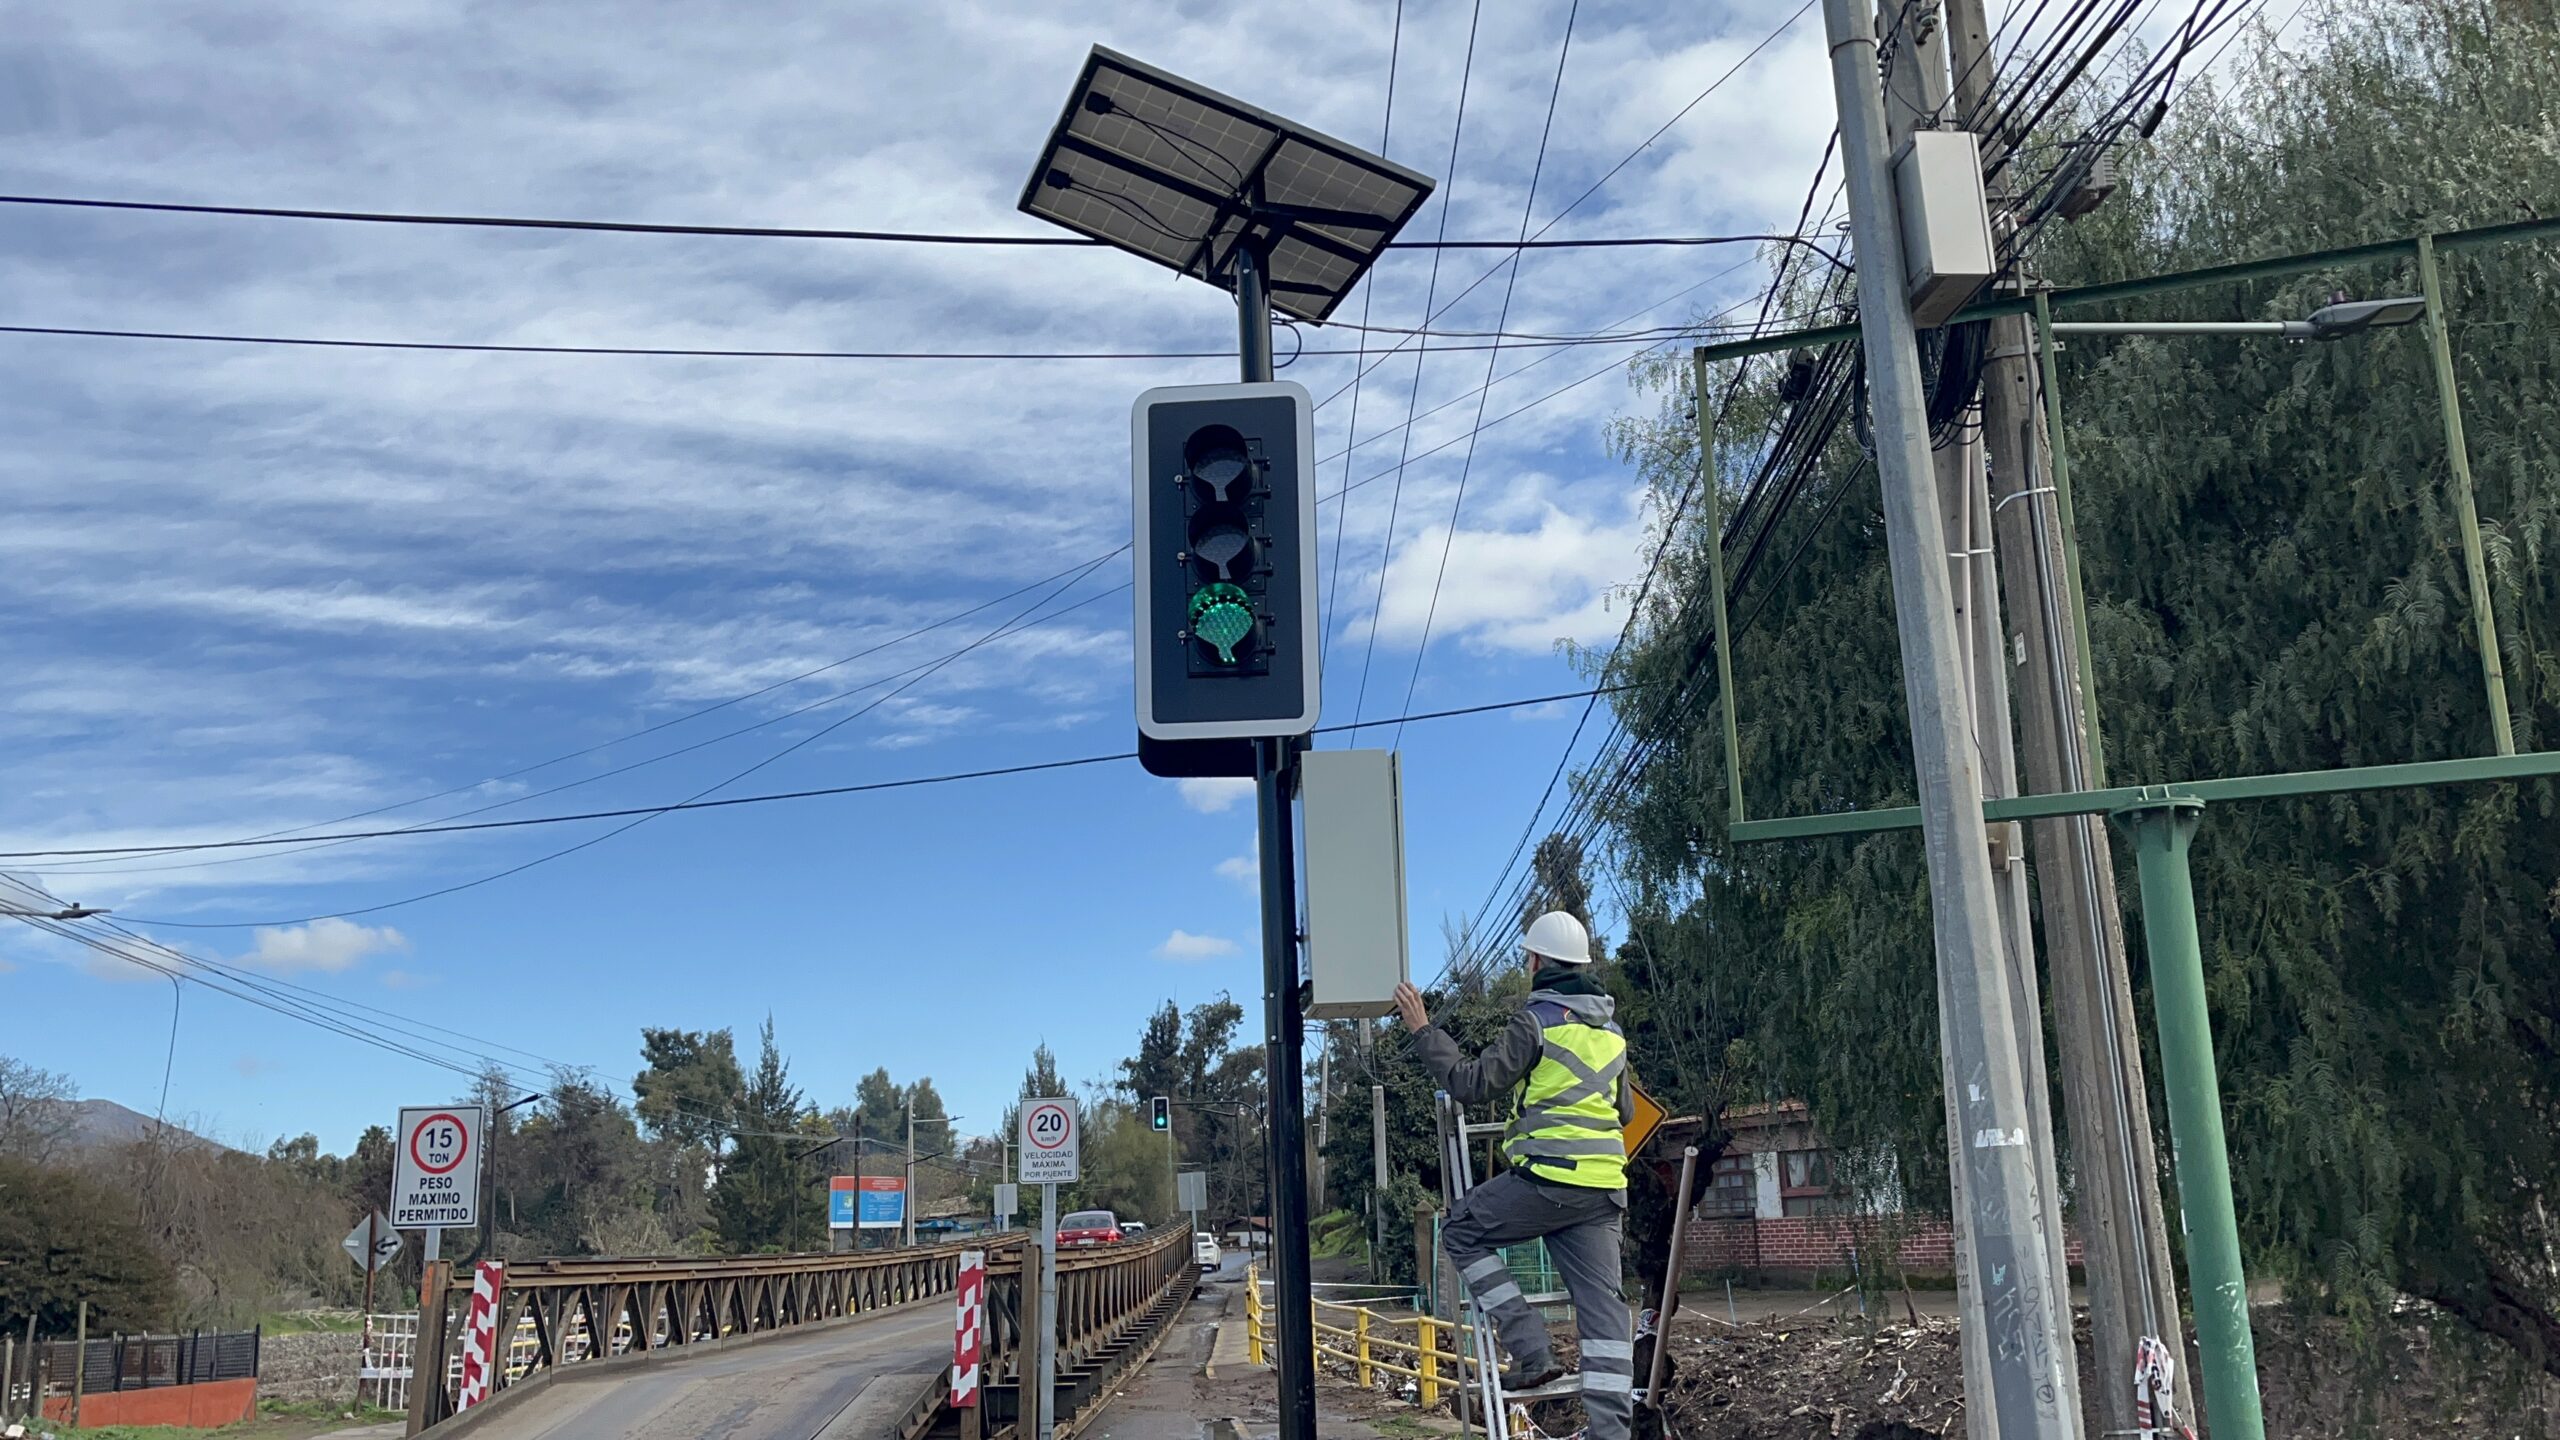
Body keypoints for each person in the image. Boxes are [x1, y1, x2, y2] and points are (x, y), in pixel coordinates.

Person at [1393, 910, 1635, 1440]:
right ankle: (1612, 1433)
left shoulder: (1536, 1022)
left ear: (1537, 961)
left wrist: (1423, 1029)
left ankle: (1529, 1346)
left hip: (1548, 1180)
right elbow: (1625, 1115)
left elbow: (1471, 1083)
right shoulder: (1612, 1034)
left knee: (1459, 1229)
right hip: (1604, 1191)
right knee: (1605, 1319)